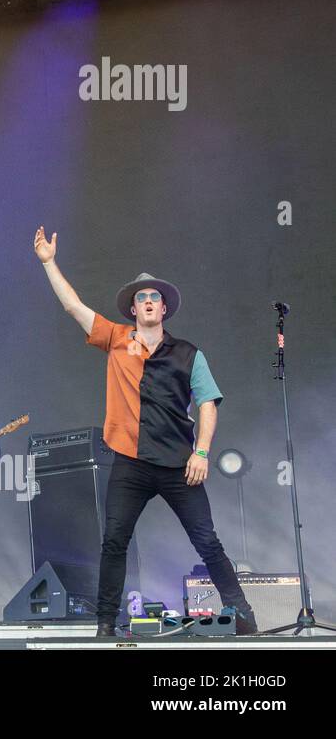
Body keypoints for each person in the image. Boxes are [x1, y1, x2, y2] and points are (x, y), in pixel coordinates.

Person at [33, 227, 258, 636]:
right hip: (130, 462)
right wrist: (49, 262)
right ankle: (105, 622)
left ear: (164, 309)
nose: (149, 302)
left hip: (178, 464)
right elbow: (73, 306)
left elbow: (207, 403)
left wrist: (202, 453)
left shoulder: (188, 353)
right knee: (114, 541)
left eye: (155, 297)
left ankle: (243, 615)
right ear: (133, 310)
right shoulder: (117, 339)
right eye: (142, 298)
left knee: (207, 541)